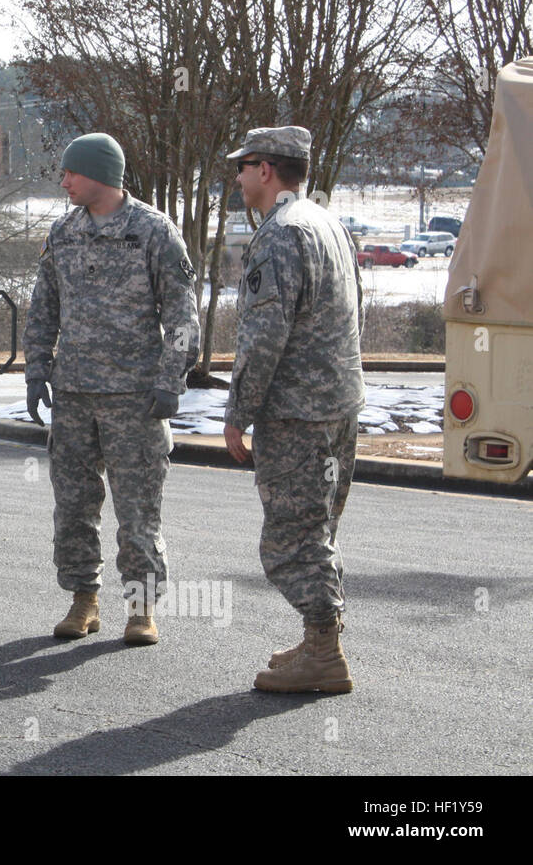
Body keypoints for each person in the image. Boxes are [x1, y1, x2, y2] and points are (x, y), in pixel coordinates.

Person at [24, 133, 200, 645]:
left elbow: (182, 315)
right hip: (74, 395)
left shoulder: (153, 231)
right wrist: (37, 371)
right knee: (74, 506)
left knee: (137, 510)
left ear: (99, 174)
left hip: (135, 399)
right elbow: (44, 308)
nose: (63, 182)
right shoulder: (63, 232)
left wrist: (171, 379)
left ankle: (141, 608)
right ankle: (83, 600)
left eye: (70, 173)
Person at [223, 125, 364, 694]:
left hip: (297, 413)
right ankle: (317, 641)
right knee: (318, 527)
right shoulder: (327, 222)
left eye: (242, 166)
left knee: (290, 539)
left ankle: (325, 654)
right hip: (336, 403)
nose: (236, 178)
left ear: (265, 170)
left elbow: (264, 335)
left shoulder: (281, 234)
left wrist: (238, 412)